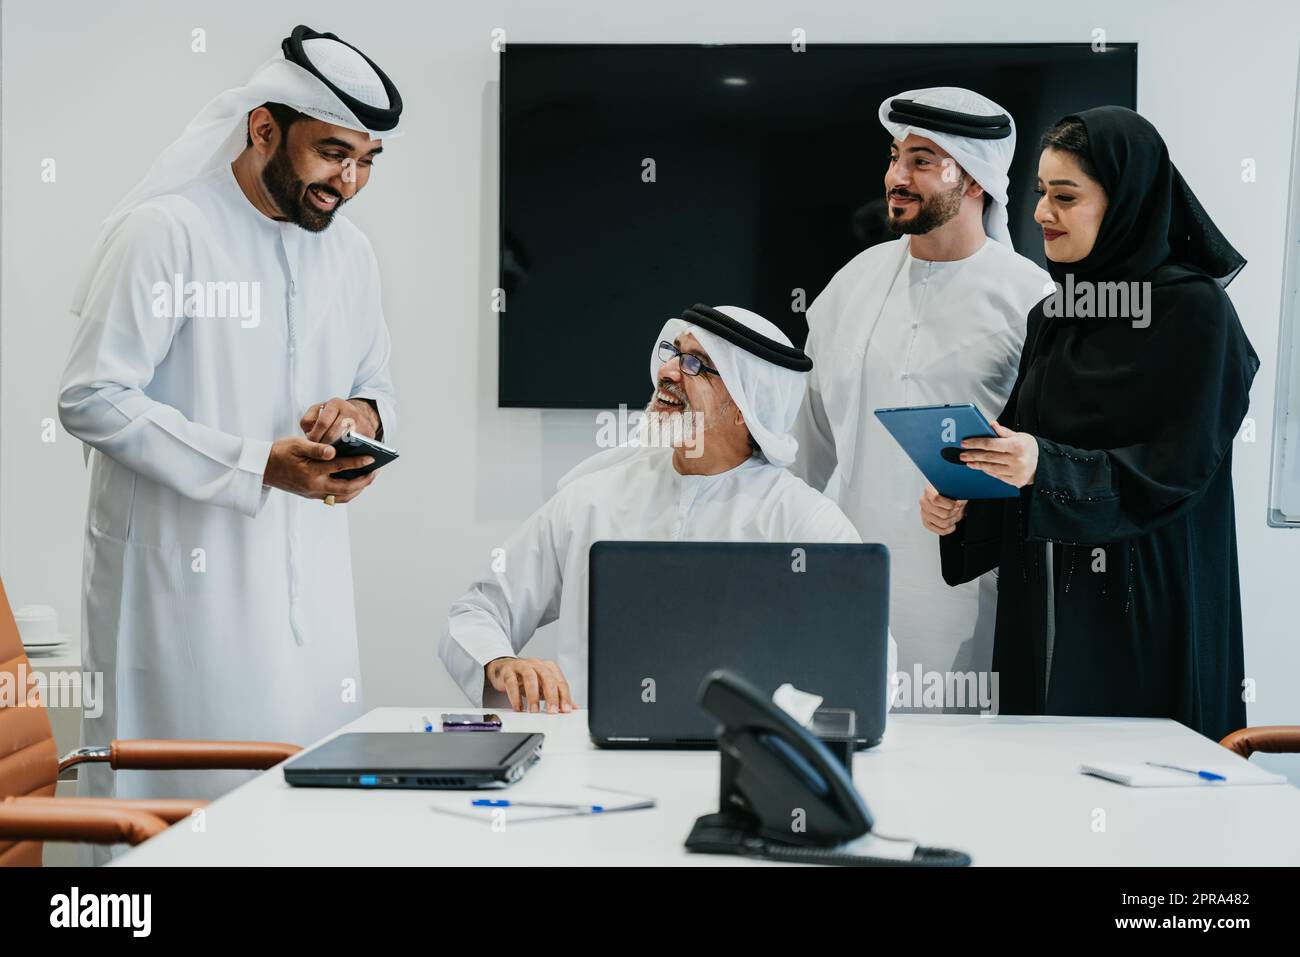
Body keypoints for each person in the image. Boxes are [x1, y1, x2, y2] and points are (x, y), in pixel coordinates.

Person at [58, 25, 404, 829]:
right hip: (178, 600)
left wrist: (362, 416)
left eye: (364, 162)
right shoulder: (165, 233)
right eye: (330, 155)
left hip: (309, 598)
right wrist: (256, 464)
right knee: (175, 821)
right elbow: (91, 396)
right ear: (262, 130)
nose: (347, 182)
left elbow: (374, 384)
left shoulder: (349, 255)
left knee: (299, 817)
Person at [921, 106, 1258, 741]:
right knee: (1040, 798)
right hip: (1042, 598)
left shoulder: (1195, 312)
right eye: (1041, 193)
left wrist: (1042, 466)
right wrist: (966, 499)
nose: (1042, 213)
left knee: (1139, 799)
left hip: (1147, 601)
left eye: (1066, 196)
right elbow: (1019, 446)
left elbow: (1177, 467)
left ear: (1127, 200)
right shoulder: (1056, 314)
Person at [440, 304, 877, 712]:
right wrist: (500, 662)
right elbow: (477, 610)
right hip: (592, 763)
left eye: (695, 365)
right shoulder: (592, 498)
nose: (667, 371)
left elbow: (866, 658)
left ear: (747, 407)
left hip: (741, 768)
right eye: (674, 353)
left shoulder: (802, 521)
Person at [793, 88, 1050, 690]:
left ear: (976, 178)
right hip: (850, 574)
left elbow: (1042, 459)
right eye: (894, 156)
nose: (896, 176)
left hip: (970, 590)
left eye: (922, 160)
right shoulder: (852, 283)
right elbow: (805, 443)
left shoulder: (1030, 297)